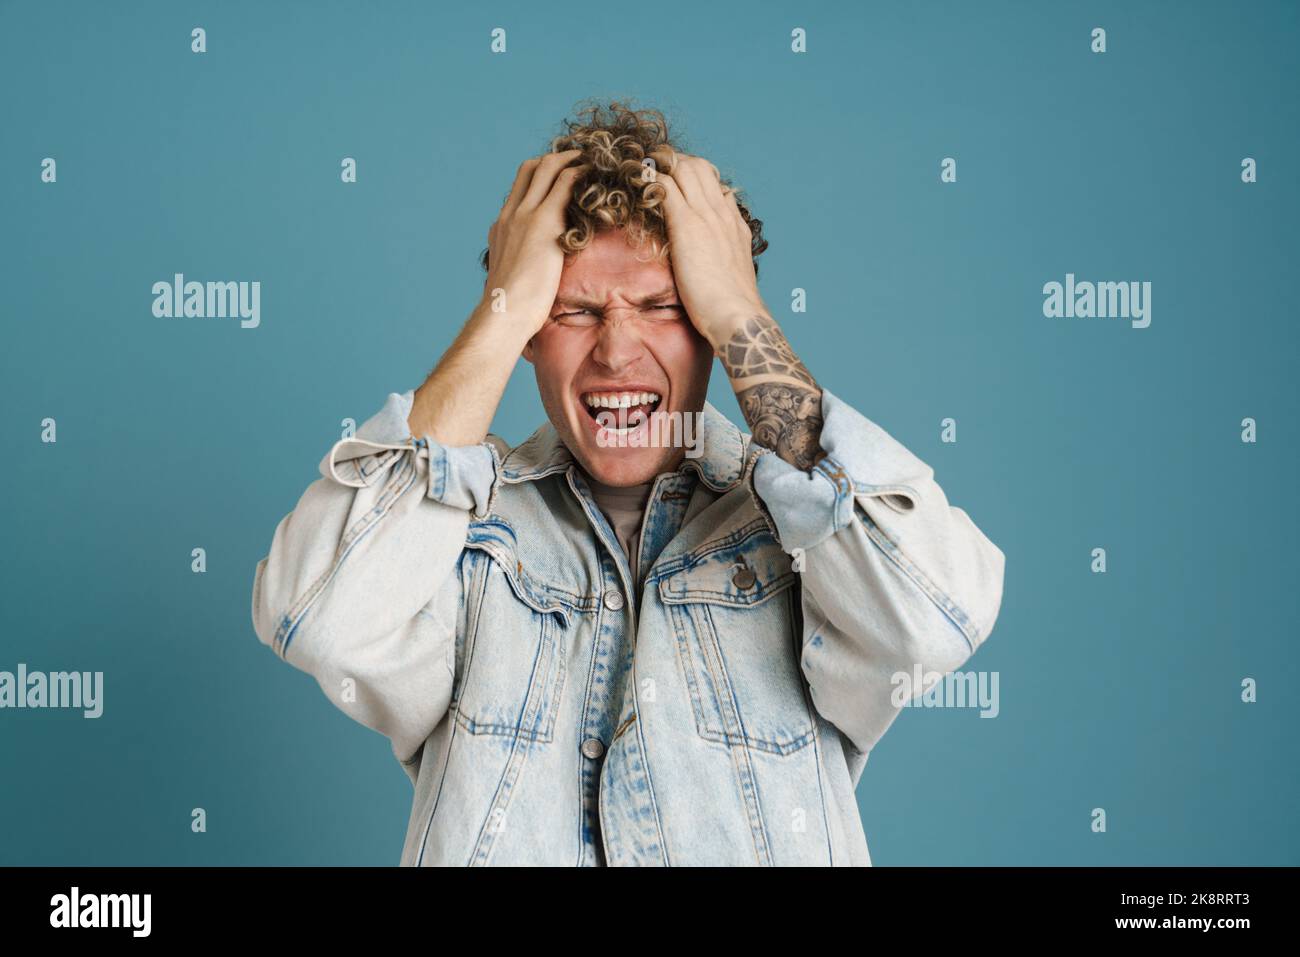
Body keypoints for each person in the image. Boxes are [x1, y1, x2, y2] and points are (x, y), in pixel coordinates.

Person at [250, 102, 1006, 866]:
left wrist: (740, 310)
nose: (616, 352)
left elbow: (932, 621)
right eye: (574, 310)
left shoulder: (808, 543)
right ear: (530, 336)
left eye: (661, 305)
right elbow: (318, 618)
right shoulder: (454, 541)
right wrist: (502, 309)